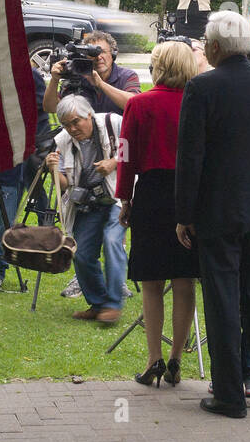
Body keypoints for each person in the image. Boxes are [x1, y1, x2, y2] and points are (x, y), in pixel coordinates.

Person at [176, 12, 250, 417]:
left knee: (223, 301)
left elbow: (190, 158)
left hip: (217, 214)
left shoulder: (202, 88)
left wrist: (185, 213)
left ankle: (229, 395)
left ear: (212, 47)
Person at [116, 40, 200, 386]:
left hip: (151, 194)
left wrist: (124, 198)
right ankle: (178, 358)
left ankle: (154, 359)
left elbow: (125, 155)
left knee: (151, 283)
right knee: (185, 281)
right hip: (189, 197)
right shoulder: (197, 104)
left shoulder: (139, 104)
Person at [46, 94, 125, 323]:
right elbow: (64, 184)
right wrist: (54, 170)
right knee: (81, 254)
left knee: (112, 241)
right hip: (88, 203)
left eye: (75, 122)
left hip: (119, 198)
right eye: (66, 125)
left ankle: (112, 305)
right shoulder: (62, 140)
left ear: (88, 114)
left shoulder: (114, 123)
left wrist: (113, 163)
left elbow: (134, 151)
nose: (72, 128)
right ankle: (98, 304)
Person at [43, 30, 140, 117]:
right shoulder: (78, 75)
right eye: (93, 53)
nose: (98, 57)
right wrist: (54, 80)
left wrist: (101, 84)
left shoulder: (127, 76)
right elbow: (50, 108)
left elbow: (135, 104)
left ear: (113, 54)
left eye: (102, 52)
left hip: (117, 134)